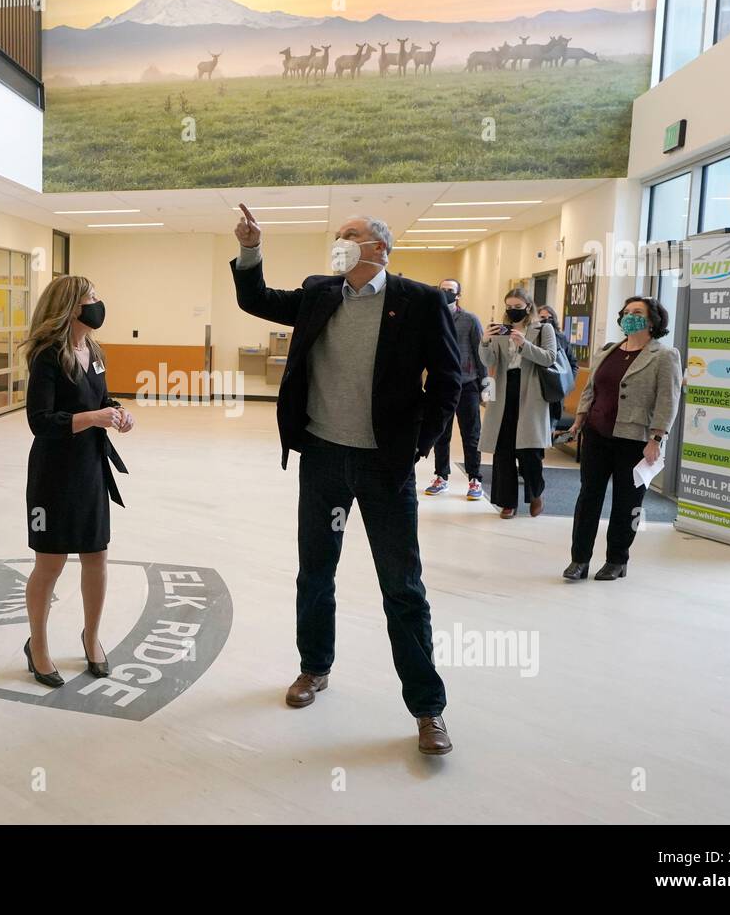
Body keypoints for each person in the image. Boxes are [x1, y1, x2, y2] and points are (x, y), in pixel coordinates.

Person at [231, 204, 461, 756]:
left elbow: (452, 379)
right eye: (338, 235)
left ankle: (428, 708)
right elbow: (256, 299)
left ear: (380, 248)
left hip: (386, 465)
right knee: (315, 572)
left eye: (351, 234)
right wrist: (250, 248)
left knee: (402, 587)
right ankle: (314, 668)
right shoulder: (320, 292)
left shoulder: (421, 300)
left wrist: (418, 446)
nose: (341, 240)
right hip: (324, 458)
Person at [20, 275, 133, 688]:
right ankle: (39, 646)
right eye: (91, 298)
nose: (98, 304)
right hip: (54, 472)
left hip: (90, 467)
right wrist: (93, 419)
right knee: (50, 563)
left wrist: (118, 413)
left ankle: (91, 637)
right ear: (70, 307)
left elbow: (100, 401)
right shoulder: (48, 356)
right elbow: (40, 422)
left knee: (96, 557)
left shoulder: (95, 351)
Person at [563, 296, 681, 581]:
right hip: (596, 434)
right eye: (626, 312)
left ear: (652, 321)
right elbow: (591, 390)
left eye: (637, 312)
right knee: (588, 498)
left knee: (626, 502)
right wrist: (579, 420)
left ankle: (617, 559)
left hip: (635, 439)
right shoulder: (608, 351)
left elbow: (668, 400)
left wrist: (657, 438)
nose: (630, 316)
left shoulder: (664, 356)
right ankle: (579, 560)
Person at [478, 289, 556, 519]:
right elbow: (489, 361)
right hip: (504, 390)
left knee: (529, 451)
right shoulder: (501, 330)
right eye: (509, 306)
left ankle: (535, 494)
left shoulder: (543, 329)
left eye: (517, 306)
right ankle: (507, 502)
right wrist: (485, 341)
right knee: (503, 451)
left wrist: (524, 344)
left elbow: (550, 357)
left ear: (528, 306)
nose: (512, 310)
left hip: (531, 392)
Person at [423, 278, 485, 501]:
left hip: (467, 383)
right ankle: (441, 476)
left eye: (450, 291)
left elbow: (481, 354)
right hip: (440, 383)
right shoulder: (431, 317)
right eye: (442, 290)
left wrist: (485, 385)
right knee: (441, 433)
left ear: (458, 295)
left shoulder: (469, 320)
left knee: (471, 434)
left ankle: (475, 479)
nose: (446, 293)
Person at [538, 303, 579, 429]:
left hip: (555, 392)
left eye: (549, 317)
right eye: (542, 317)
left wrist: (565, 384)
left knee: (549, 428)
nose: (546, 320)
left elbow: (573, 364)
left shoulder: (561, 338)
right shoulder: (532, 337)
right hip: (536, 389)